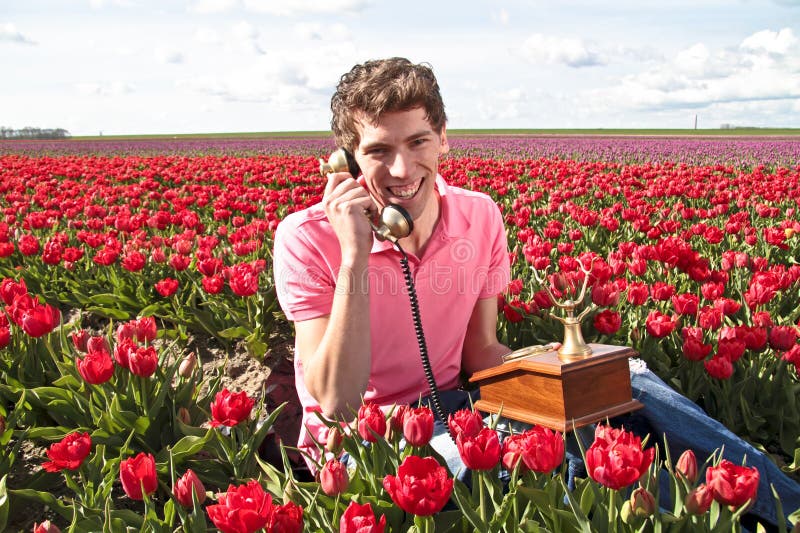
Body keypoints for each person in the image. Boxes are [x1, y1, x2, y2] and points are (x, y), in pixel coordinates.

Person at [272, 57, 799, 527]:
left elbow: (480, 354)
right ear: (345, 160)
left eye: (417, 142)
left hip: (463, 405)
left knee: (623, 384)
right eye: (378, 151)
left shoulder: (478, 215)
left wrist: (561, 371)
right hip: (369, 442)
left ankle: (787, 507)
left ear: (444, 137)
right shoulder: (308, 237)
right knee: (551, 460)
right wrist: (356, 254)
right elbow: (337, 405)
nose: (402, 169)